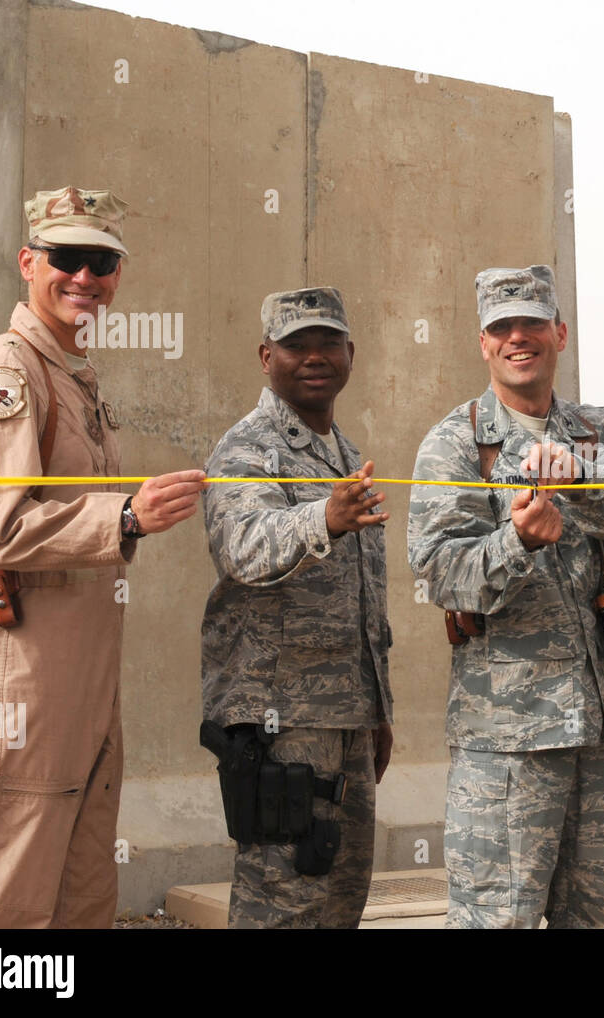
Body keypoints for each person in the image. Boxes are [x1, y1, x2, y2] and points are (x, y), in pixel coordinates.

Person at [0, 186, 206, 929]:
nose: (84, 278)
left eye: (102, 261)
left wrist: (124, 520)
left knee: (77, 901)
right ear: (28, 262)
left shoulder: (74, 374)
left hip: (80, 681)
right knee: (0, 905)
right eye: (66, 258)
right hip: (22, 679)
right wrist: (124, 516)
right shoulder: (7, 375)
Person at [407, 264, 604, 928]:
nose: (519, 337)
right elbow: (436, 572)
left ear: (560, 333)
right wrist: (515, 542)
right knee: (500, 919)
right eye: (502, 327)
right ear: (484, 343)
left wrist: (580, 479)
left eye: (532, 323)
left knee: (602, 918)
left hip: (598, 738)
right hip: (507, 746)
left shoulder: (596, 434)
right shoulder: (457, 445)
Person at [200, 287, 394, 929]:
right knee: (281, 907)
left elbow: (363, 600)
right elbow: (243, 548)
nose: (314, 356)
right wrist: (324, 519)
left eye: (327, 342)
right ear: (265, 356)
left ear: (350, 354)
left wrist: (377, 710)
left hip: (347, 722)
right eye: (295, 344)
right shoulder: (248, 449)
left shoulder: (341, 451)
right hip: (281, 727)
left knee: (339, 906)